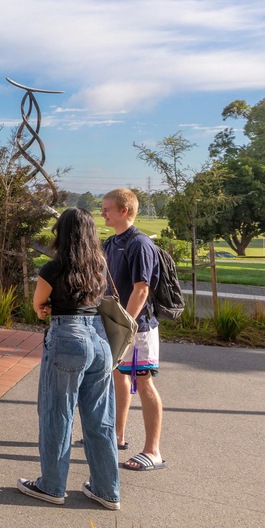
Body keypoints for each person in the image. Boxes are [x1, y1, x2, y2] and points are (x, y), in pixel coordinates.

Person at [17, 208, 120, 510]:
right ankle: (106, 489)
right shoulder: (99, 265)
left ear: (60, 233)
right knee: (100, 419)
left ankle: (51, 485)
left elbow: (38, 305)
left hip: (67, 338)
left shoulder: (53, 268)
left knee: (57, 413)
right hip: (99, 341)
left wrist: (46, 309)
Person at [102, 188, 167, 472]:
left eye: (107, 209)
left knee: (144, 383)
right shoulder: (110, 242)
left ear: (124, 211)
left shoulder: (140, 244)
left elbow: (141, 290)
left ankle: (153, 451)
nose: (103, 213)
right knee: (120, 378)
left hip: (137, 329)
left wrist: (125, 325)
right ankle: (117, 436)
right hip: (120, 326)